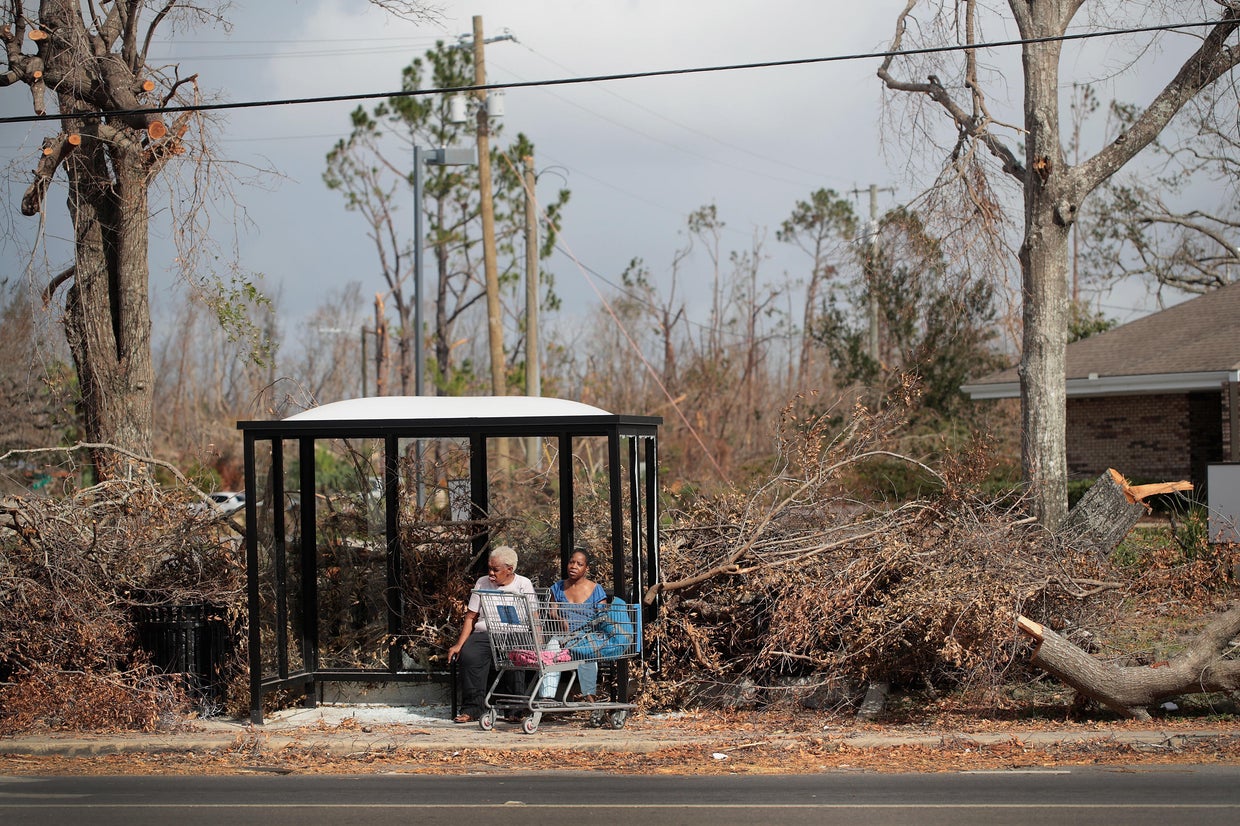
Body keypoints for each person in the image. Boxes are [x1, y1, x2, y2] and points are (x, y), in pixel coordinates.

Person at [446, 545, 536, 724]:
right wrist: (459, 644)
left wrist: (538, 642)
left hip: (514, 633)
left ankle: (514, 710)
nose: (491, 574)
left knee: (518, 657)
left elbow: (534, 616)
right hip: (486, 632)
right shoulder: (482, 582)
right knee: (470, 655)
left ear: (509, 569)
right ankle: (472, 708)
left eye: (496, 570)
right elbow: (471, 616)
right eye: (490, 568)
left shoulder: (523, 584)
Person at [550, 548, 607, 703]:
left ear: (586, 568)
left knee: (587, 656)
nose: (574, 566)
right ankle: (546, 699)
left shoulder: (596, 589)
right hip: (563, 635)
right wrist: (560, 620)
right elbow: (552, 611)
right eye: (571, 562)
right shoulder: (558, 587)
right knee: (550, 653)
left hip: (586, 635)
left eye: (579, 564)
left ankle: (590, 700)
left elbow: (602, 615)